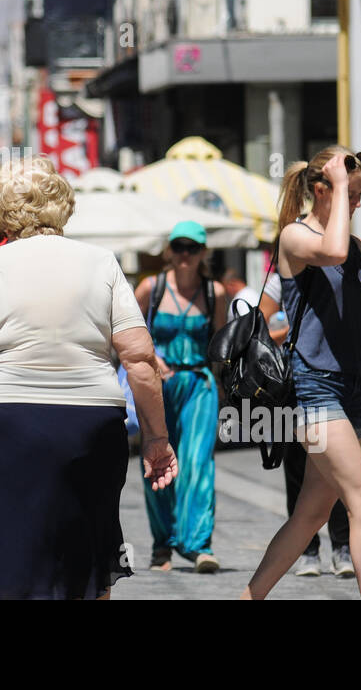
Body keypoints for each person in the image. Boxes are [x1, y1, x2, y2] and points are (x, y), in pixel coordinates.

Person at [0, 156, 178, 600]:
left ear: (2, 209)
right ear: (62, 204)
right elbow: (140, 359)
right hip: (93, 422)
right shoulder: (101, 263)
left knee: (8, 551)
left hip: (11, 424)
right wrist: (156, 439)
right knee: (89, 549)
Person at [242, 146, 361, 601]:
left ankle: (248, 598)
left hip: (354, 391)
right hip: (313, 390)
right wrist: (341, 185)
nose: (357, 203)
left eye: (360, 195)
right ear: (322, 189)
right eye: (351, 194)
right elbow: (333, 248)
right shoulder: (295, 239)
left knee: (310, 515)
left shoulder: (357, 249)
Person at [238, 257, 353, 577]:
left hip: (335, 381)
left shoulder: (339, 276)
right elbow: (256, 331)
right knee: (298, 471)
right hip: (292, 384)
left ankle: (342, 547)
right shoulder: (280, 281)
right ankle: (310, 551)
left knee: (341, 470)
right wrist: (290, 333)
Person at [131, 222, 227, 573]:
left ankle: (199, 544)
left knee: (199, 462)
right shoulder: (151, 287)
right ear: (169, 250)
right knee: (157, 461)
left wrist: (221, 381)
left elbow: (221, 343)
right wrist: (152, 357)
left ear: (203, 252)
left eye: (193, 247)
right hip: (157, 387)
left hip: (199, 384)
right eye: (179, 246)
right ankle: (163, 545)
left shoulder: (215, 291)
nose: (185, 254)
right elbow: (126, 329)